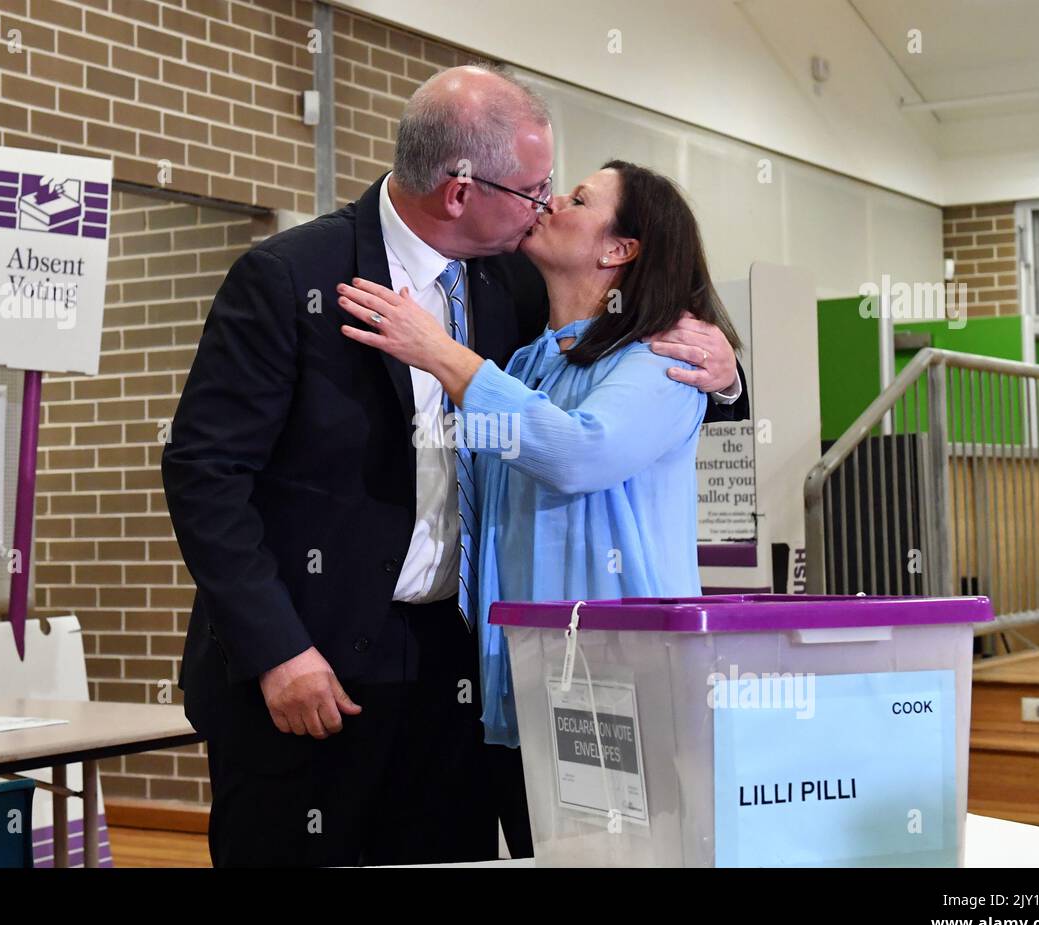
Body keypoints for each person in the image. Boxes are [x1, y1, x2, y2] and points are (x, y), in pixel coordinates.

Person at [162, 64, 748, 867]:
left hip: (460, 669)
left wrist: (726, 375)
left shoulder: (518, 278)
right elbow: (203, 474)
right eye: (536, 188)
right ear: (460, 192)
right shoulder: (292, 277)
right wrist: (276, 649)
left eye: (561, 193)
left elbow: (615, 386)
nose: (547, 205)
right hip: (312, 668)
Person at [337, 159, 741, 745]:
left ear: (617, 251)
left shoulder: (663, 358)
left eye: (578, 201)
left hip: (619, 682)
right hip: (520, 681)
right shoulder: (527, 361)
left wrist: (439, 353)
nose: (550, 202)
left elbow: (577, 453)